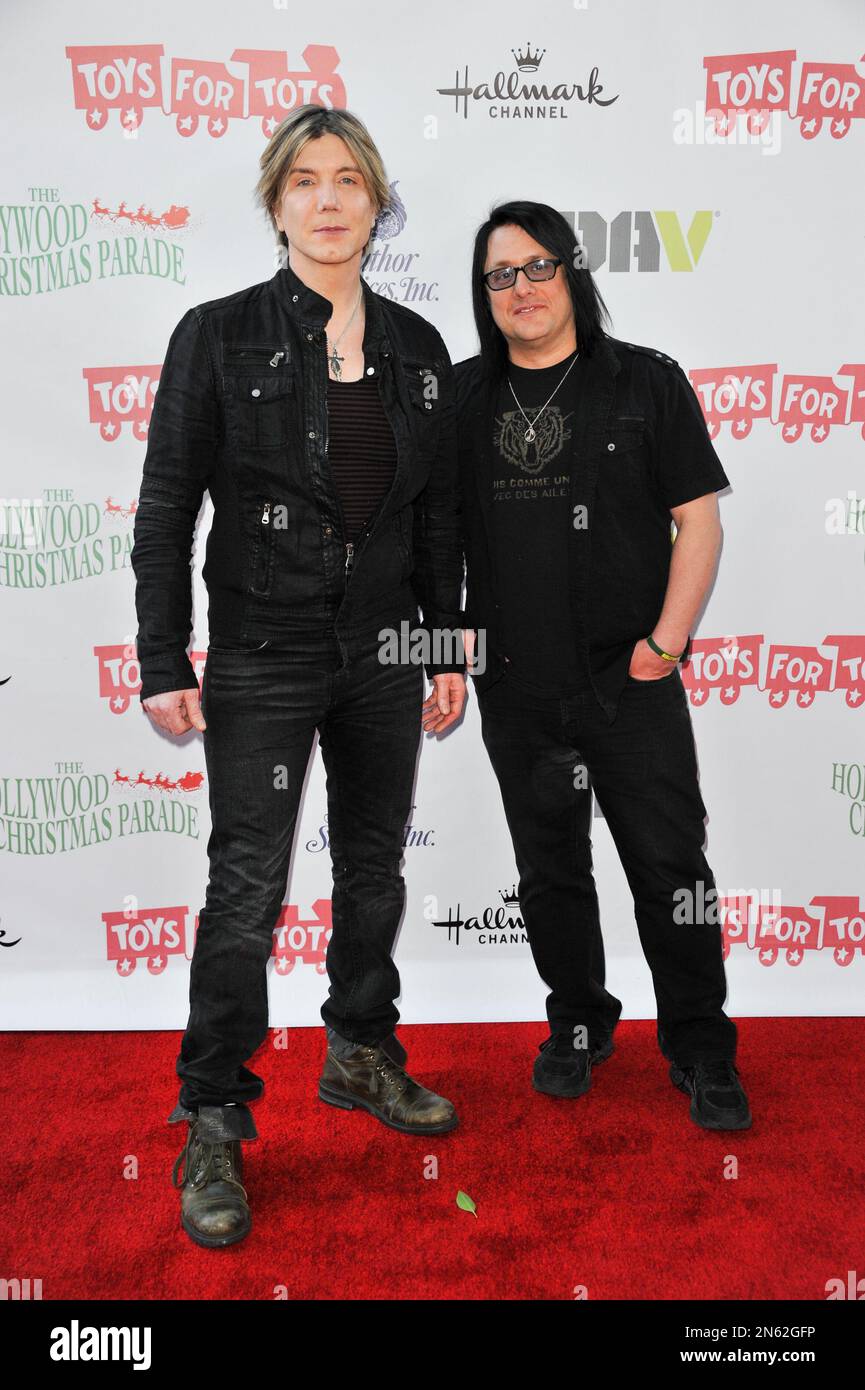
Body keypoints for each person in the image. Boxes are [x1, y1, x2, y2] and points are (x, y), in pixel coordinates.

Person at [131, 105, 466, 1249]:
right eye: (305, 181)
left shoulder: (421, 351)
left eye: (349, 182)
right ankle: (213, 1117)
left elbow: (435, 521)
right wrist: (163, 655)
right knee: (246, 890)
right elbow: (167, 508)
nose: (328, 200)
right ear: (276, 205)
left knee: (371, 872)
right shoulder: (215, 335)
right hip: (262, 653)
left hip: (383, 656)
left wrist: (441, 642)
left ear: (377, 204)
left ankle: (361, 1051)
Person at [454, 200, 751, 1132]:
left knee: (672, 871)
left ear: (572, 274)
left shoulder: (644, 383)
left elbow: (697, 520)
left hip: (631, 686)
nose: (521, 289)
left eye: (537, 267)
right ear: (485, 295)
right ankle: (577, 1025)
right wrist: (446, 638)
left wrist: (663, 649)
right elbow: (434, 535)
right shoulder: (463, 400)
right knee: (549, 876)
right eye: (500, 276)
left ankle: (701, 1046)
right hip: (518, 689)